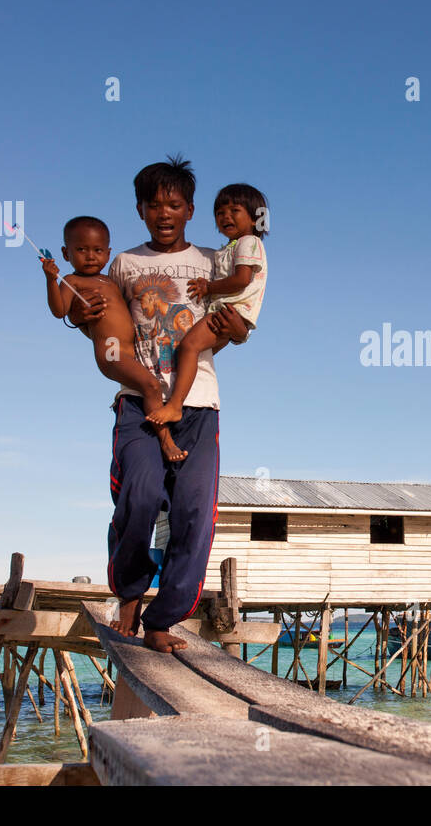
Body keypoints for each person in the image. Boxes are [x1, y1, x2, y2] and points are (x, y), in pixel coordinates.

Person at [84, 155, 247, 653]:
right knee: (139, 493)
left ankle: (163, 621)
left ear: (190, 209)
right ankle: (129, 593)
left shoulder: (214, 262)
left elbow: (239, 330)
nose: (164, 213)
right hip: (138, 403)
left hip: (199, 405)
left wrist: (232, 326)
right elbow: (102, 323)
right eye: (153, 205)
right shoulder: (125, 264)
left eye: (173, 204)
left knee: (194, 515)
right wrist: (81, 312)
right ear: (139, 209)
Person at [40, 216, 187, 463]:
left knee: (151, 387)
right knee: (150, 385)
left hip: (130, 351)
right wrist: (51, 279)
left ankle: (156, 435)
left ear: (108, 254)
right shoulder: (72, 281)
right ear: (66, 253)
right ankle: (165, 440)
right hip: (111, 352)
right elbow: (59, 310)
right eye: (81, 250)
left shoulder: (109, 281)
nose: (90, 256)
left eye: (97, 250)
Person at [144, 183, 268, 428]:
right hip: (231, 313)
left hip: (229, 311)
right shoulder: (231, 247)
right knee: (198, 355)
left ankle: (175, 404)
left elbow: (242, 279)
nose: (226, 216)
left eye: (235, 211)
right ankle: (176, 396)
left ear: (255, 218)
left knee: (189, 346)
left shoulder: (248, 243)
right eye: (220, 212)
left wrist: (208, 288)